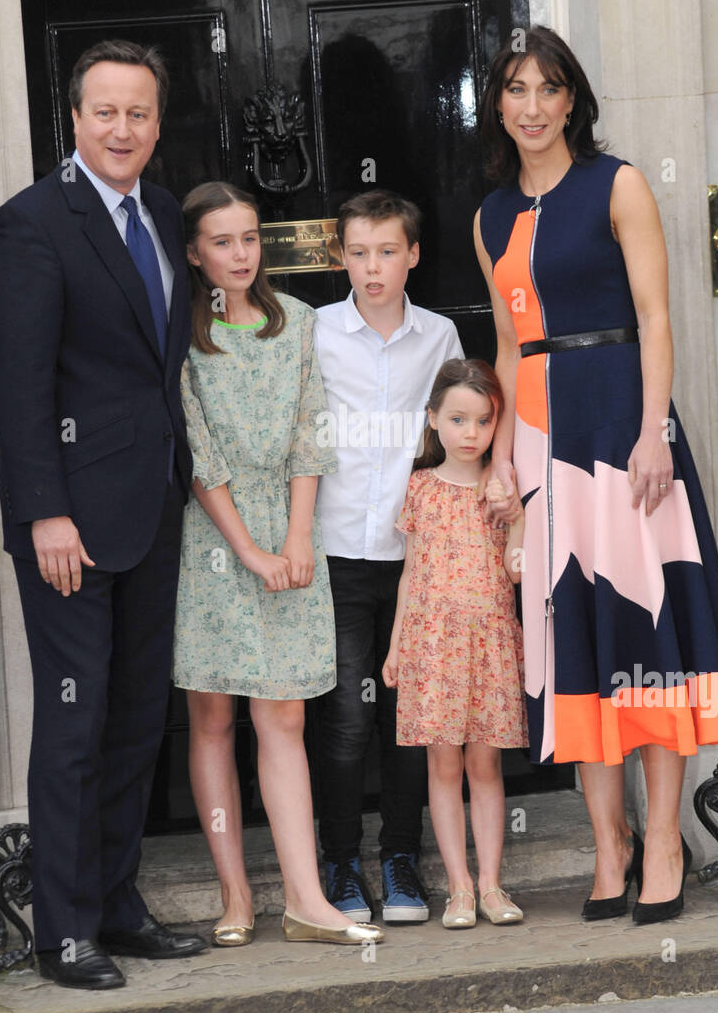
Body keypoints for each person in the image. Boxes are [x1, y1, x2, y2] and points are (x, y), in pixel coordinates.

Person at [475, 26, 718, 925]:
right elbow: (506, 343)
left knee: (645, 621)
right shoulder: (488, 217)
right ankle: (610, 846)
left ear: (571, 101)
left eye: (546, 90)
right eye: (515, 90)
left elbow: (655, 318)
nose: (531, 107)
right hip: (540, 444)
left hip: (621, 428)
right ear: (500, 104)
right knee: (577, 637)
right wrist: (495, 463)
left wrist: (651, 432)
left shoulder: (616, 184)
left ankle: (664, 838)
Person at [0, 40, 208, 989]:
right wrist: (45, 515)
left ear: (158, 123)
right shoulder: (31, 223)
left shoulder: (160, 210)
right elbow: (19, 384)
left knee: (135, 720)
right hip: (70, 525)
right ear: (73, 119)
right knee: (74, 725)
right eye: (105, 111)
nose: (123, 129)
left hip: (153, 507)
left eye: (140, 113)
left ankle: (117, 906)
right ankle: (63, 931)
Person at [172, 181, 383, 947]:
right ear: (194, 252)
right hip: (214, 538)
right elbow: (196, 452)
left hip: (292, 527)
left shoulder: (295, 322)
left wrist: (295, 540)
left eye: (250, 238)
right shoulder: (182, 332)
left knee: (285, 712)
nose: (239, 254)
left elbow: (309, 431)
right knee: (214, 713)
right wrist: (249, 551)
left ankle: (305, 899)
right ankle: (235, 895)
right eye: (222, 241)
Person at [313, 189, 465, 924]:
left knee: (410, 714)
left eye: (386, 252)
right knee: (344, 717)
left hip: (416, 556)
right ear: (339, 255)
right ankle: (339, 862)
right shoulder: (312, 333)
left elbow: (462, 430)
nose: (372, 269)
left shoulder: (438, 338)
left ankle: (401, 858)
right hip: (336, 549)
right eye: (357, 252)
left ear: (411, 254)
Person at [382, 360, 527, 928]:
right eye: (459, 419)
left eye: (484, 421)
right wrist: (396, 647)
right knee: (442, 764)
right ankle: (459, 890)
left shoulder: (502, 494)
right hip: (432, 644)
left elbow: (516, 574)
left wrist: (515, 517)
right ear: (433, 420)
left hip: (489, 640)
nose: (472, 433)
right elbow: (411, 573)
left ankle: (492, 885)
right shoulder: (421, 487)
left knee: (484, 765)